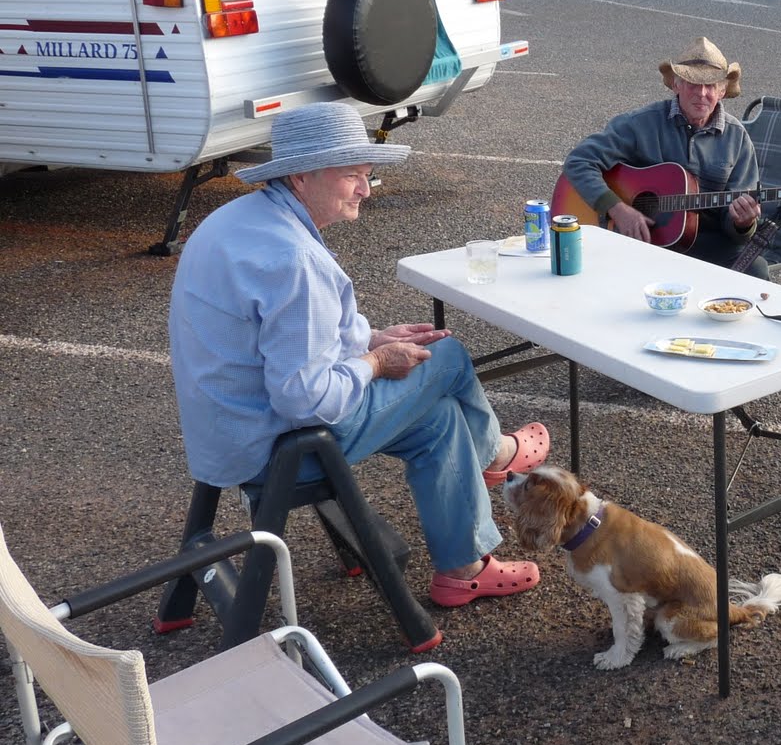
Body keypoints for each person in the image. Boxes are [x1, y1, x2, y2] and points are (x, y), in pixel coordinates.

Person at [168, 101, 549, 612]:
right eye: (354, 175)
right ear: (302, 177)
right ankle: (497, 455)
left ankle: (464, 569)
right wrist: (376, 363)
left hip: (223, 427)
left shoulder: (239, 220)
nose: (367, 190)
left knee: (439, 420)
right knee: (451, 357)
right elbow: (305, 401)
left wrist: (365, 339)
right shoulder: (296, 260)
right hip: (277, 447)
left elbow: (283, 336)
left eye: (367, 176)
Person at [561, 37, 769, 278]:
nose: (702, 93)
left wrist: (742, 223)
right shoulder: (641, 123)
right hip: (643, 240)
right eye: (693, 83)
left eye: (710, 85)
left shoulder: (737, 138)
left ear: (722, 91)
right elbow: (579, 161)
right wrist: (616, 209)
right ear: (676, 85)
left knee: (756, 268)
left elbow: (735, 229)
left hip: (707, 243)